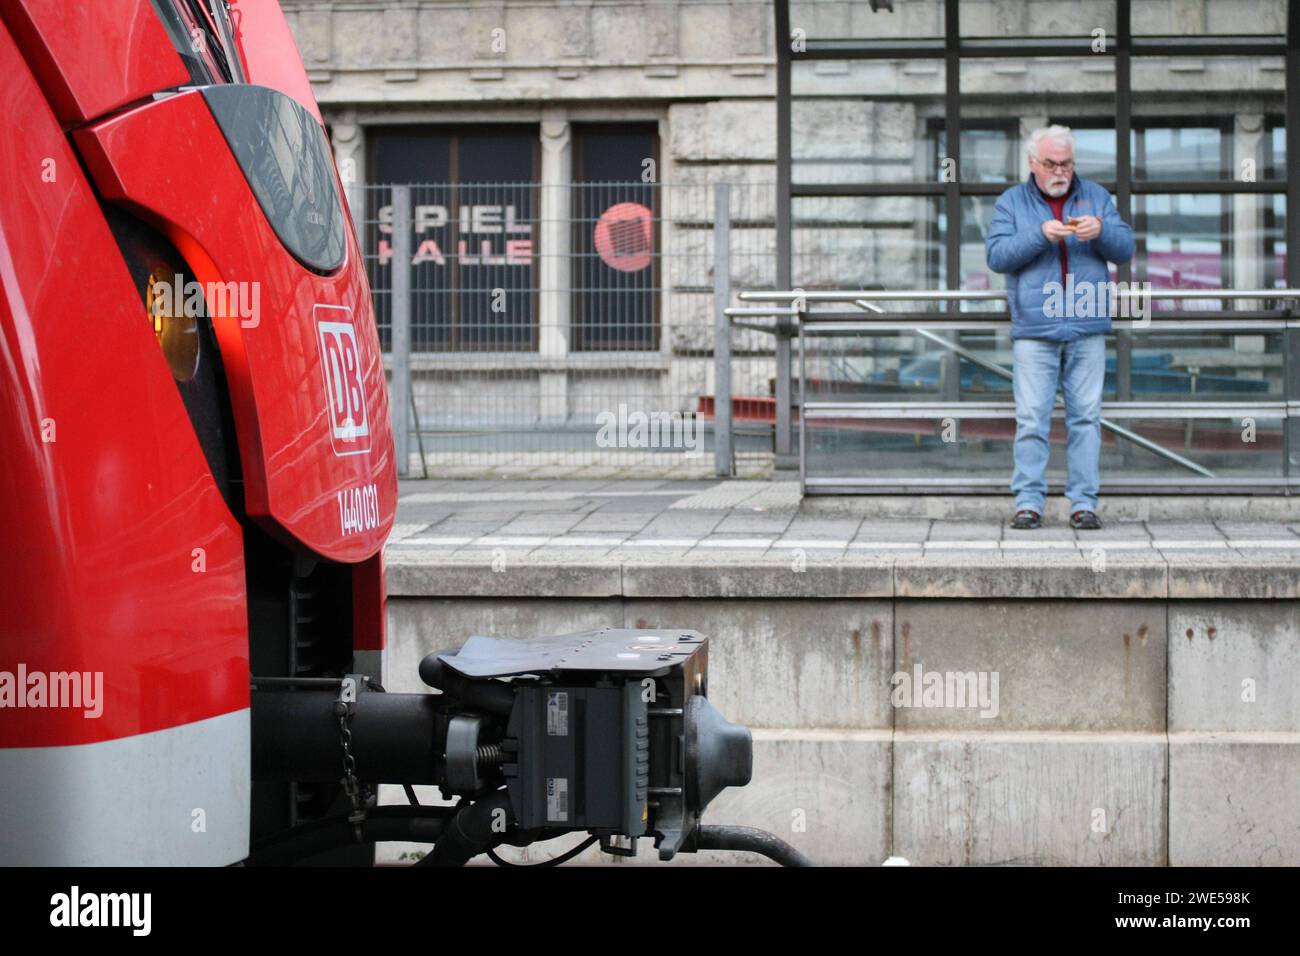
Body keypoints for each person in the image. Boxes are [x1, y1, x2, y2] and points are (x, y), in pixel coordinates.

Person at [985, 125, 1135, 530]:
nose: (1060, 171)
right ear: (1033, 163)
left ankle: (1083, 504)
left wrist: (1102, 231)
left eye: (1067, 163)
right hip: (1035, 329)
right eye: (1051, 163)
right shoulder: (1012, 203)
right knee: (1032, 418)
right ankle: (1028, 503)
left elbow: (1126, 248)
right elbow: (997, 256)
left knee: (1086, 418)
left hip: (1087, 325)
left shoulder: (1097, 198)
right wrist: (1039, 236)